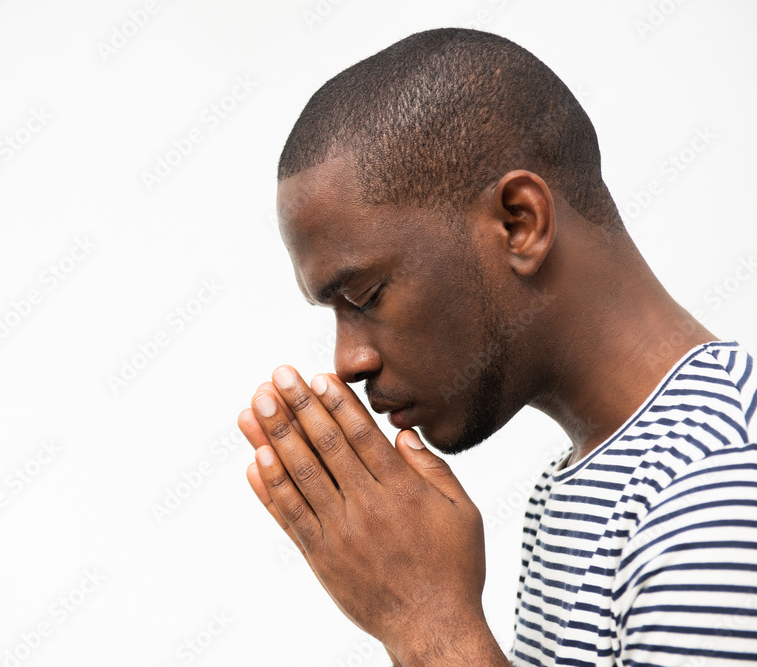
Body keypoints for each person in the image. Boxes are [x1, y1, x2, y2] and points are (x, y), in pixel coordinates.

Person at [237, 28, 757, 666]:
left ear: (519, 222)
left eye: (367, 296)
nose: (349, 362)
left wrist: (428, 622)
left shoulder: (715, 496)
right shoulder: (587, 483)